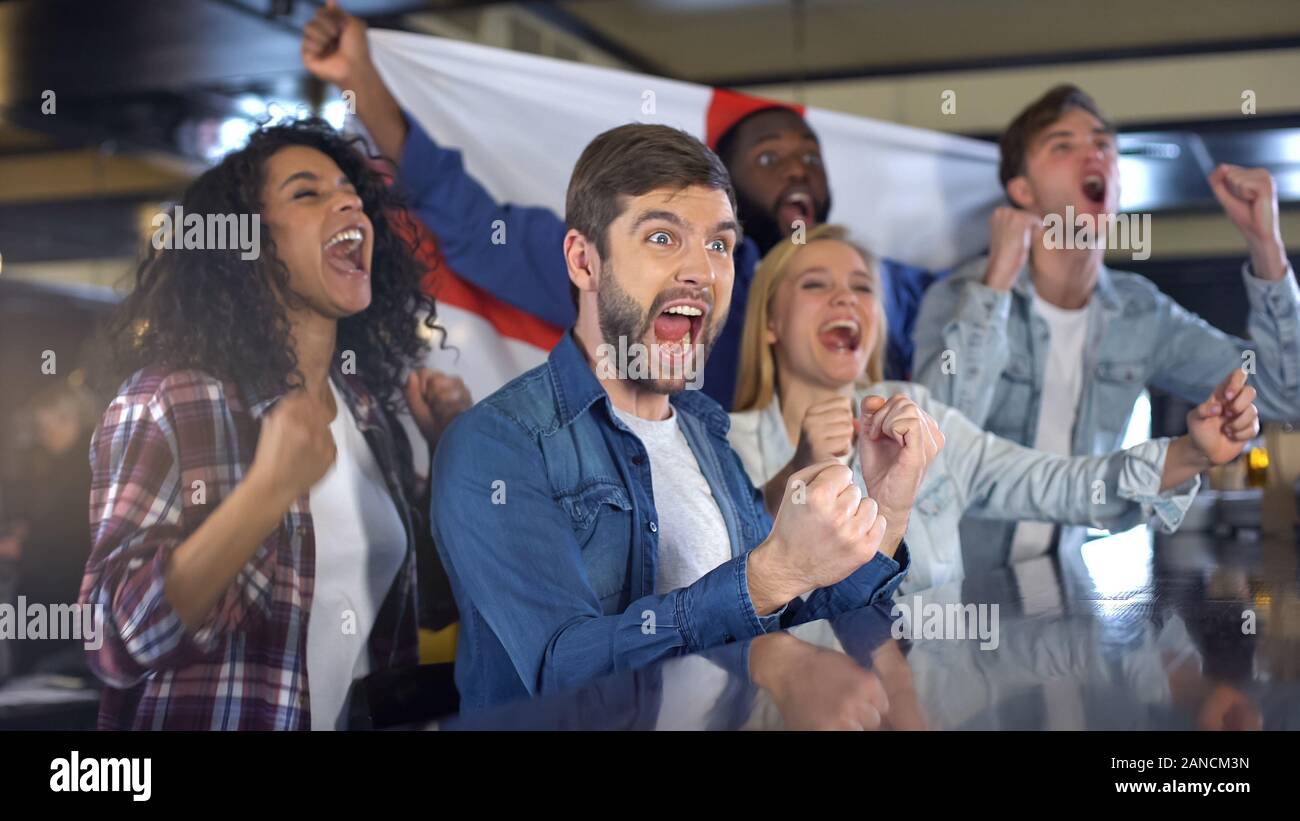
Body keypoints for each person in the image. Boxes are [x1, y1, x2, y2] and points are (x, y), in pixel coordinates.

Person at [430, 122, 943, 711]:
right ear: (583, 261)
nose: (701, 272)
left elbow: (796, 620)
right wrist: (766, 578)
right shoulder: (496, 444)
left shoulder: (705, 433)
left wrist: (886, 511)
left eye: (719, 245)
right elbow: (560, 669)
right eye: (662, 238)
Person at [300, 0, 942, 407]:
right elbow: (476, 227)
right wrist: (361, 79)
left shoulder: (888, 287)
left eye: (810, 157)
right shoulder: (631, 272)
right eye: (769, 159)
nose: (799, 169)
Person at [80, 118, 468, 730]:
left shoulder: (368, 413)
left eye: (352, 193)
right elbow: (112, 640)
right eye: (306, 192)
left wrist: (454, 456)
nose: (349, 203)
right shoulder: (170, 399)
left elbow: (435, 603)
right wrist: (265, 493)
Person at [729, 225, 1259, 590]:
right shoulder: (723, 442)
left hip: (934, 697)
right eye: (816, 285)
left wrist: (1192, 453)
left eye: (862, 287)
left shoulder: (918, 413)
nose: (846, 299)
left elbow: (1060, 483)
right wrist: (798, 470)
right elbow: (726, 592)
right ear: (770, 322)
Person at [911, 84, 1299, 567]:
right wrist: (996, 285)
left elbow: (1284, 395)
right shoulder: (959, 296)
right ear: (1022, 190)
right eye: (1062, 145)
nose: (1093, 154)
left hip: (1062, 579)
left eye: (1102, 144)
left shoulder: (1141, 313)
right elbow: (926, 448)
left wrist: (1266, 246)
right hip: (959, 585)